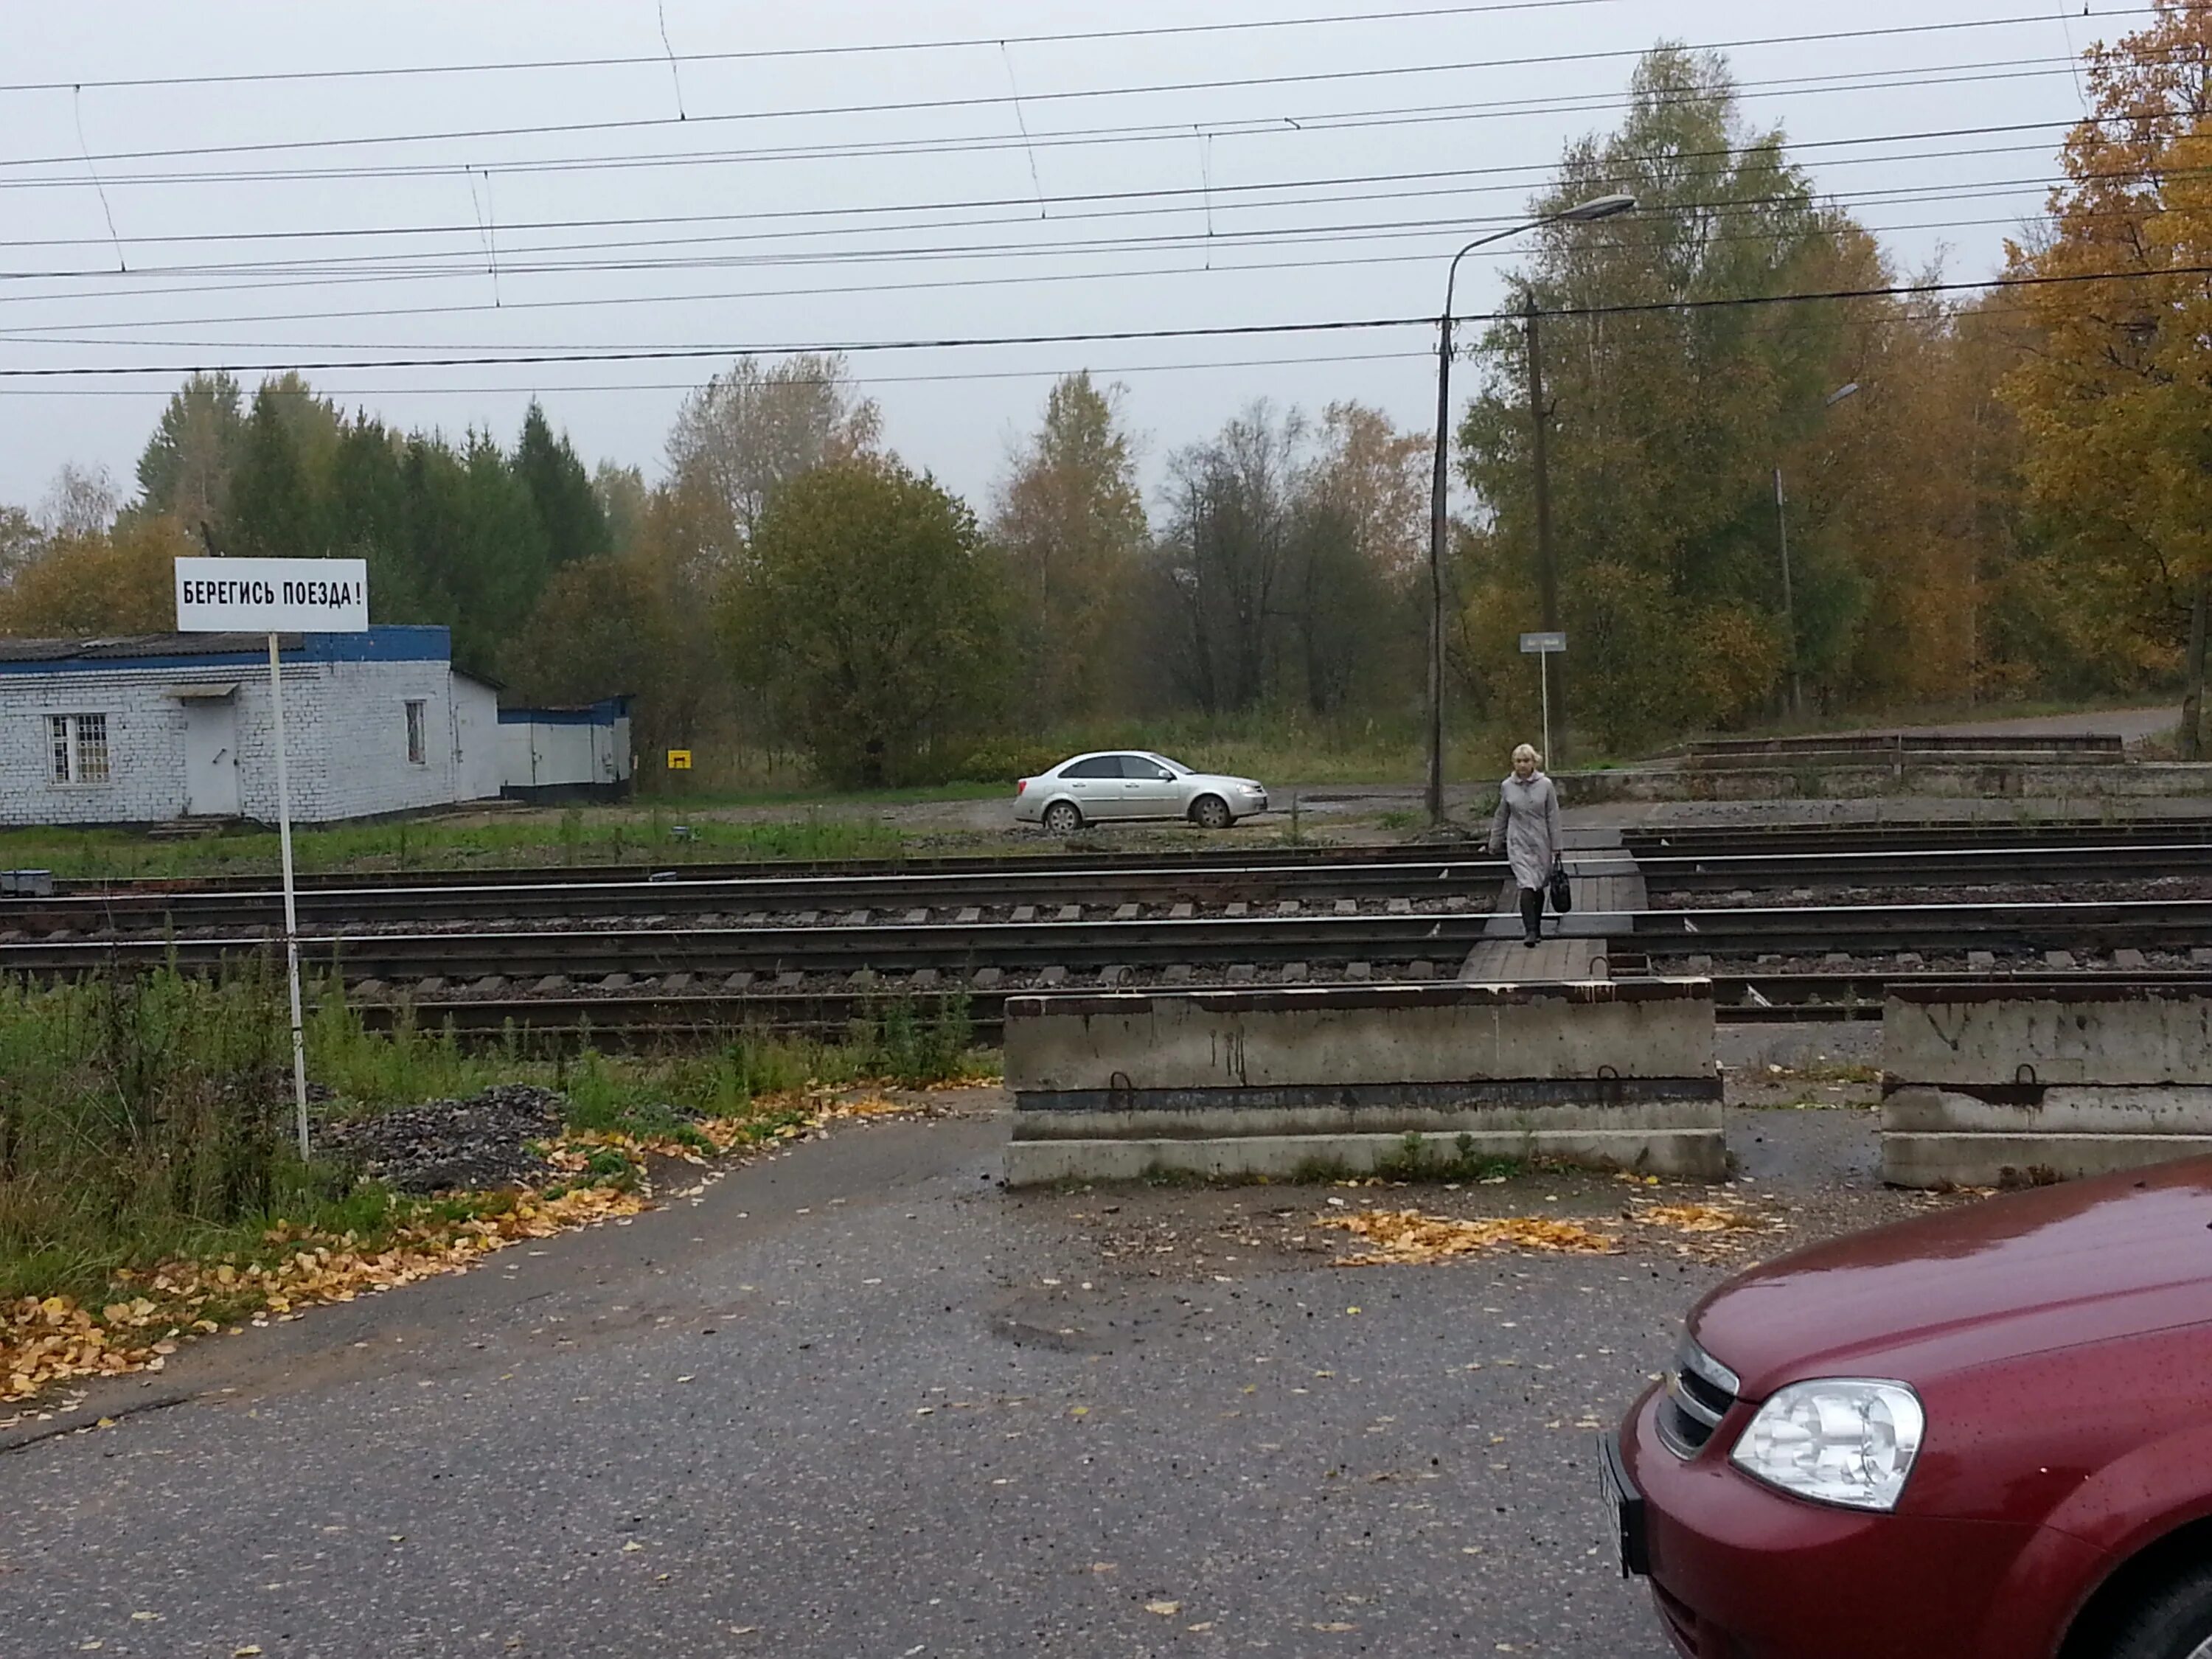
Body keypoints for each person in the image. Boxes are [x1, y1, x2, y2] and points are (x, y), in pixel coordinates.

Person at [1486, 742, 1563, 947]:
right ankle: (1529, 931)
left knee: (1538, 885)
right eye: (1519, 761)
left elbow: (1553, 815)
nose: (1522, 765)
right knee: (1526, 884)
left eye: (1526, 761)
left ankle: (1536, 929)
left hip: (1541, 840)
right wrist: (1494, 841)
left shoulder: (1546, 785)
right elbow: (1501, 815)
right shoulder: (1507, 786)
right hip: (1518, 841)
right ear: (1514, 763)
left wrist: (1557, 845)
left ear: (1534, 762)